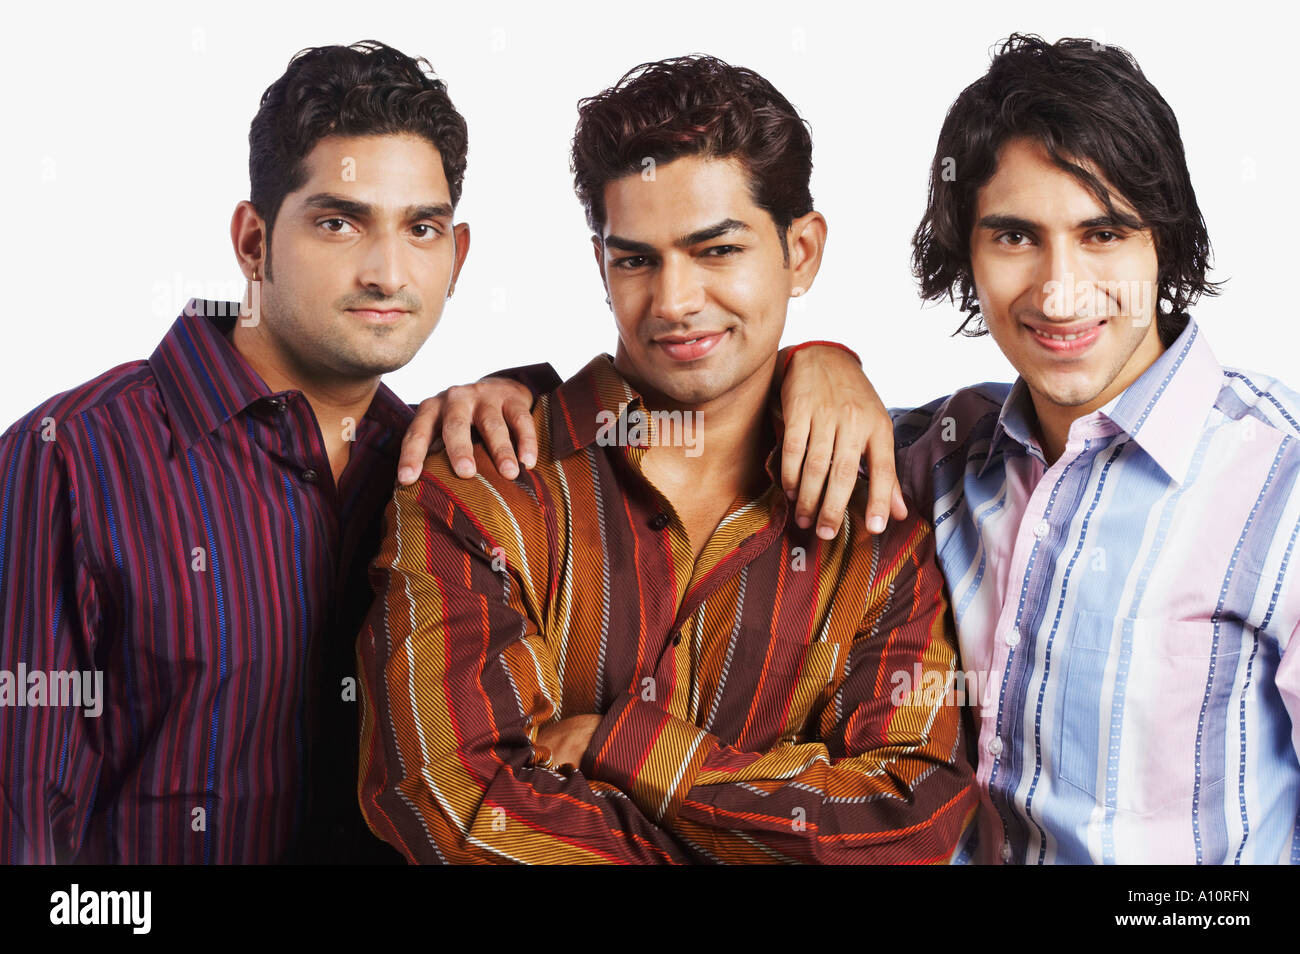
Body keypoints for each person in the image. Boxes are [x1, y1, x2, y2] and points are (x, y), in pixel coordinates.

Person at [429, 35, 1300, 864]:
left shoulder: (1281, 481)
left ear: (1168, 237)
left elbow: (906, 811)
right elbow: (731, 395)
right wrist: (522, 393)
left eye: (1103, 233)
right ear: (966, 248)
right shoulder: (927, 457)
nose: (1060, 289)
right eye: (1014, 235)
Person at [357, 55, 978, 864]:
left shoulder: (882, 530)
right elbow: (456, 808)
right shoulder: (481, 482)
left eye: (716, 251)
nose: (675, 302)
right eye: (637, 259)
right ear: (600, 264)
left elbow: (908, 820)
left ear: (803, 253)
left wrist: (625, 747)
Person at [0, 39, 540, 863]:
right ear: (253, 242)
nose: (387, 273)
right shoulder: (69, 457)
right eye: (339, 222)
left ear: (457, 256)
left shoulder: (441, 471)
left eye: (421, 229)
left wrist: (814, 363)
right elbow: (24, 823)